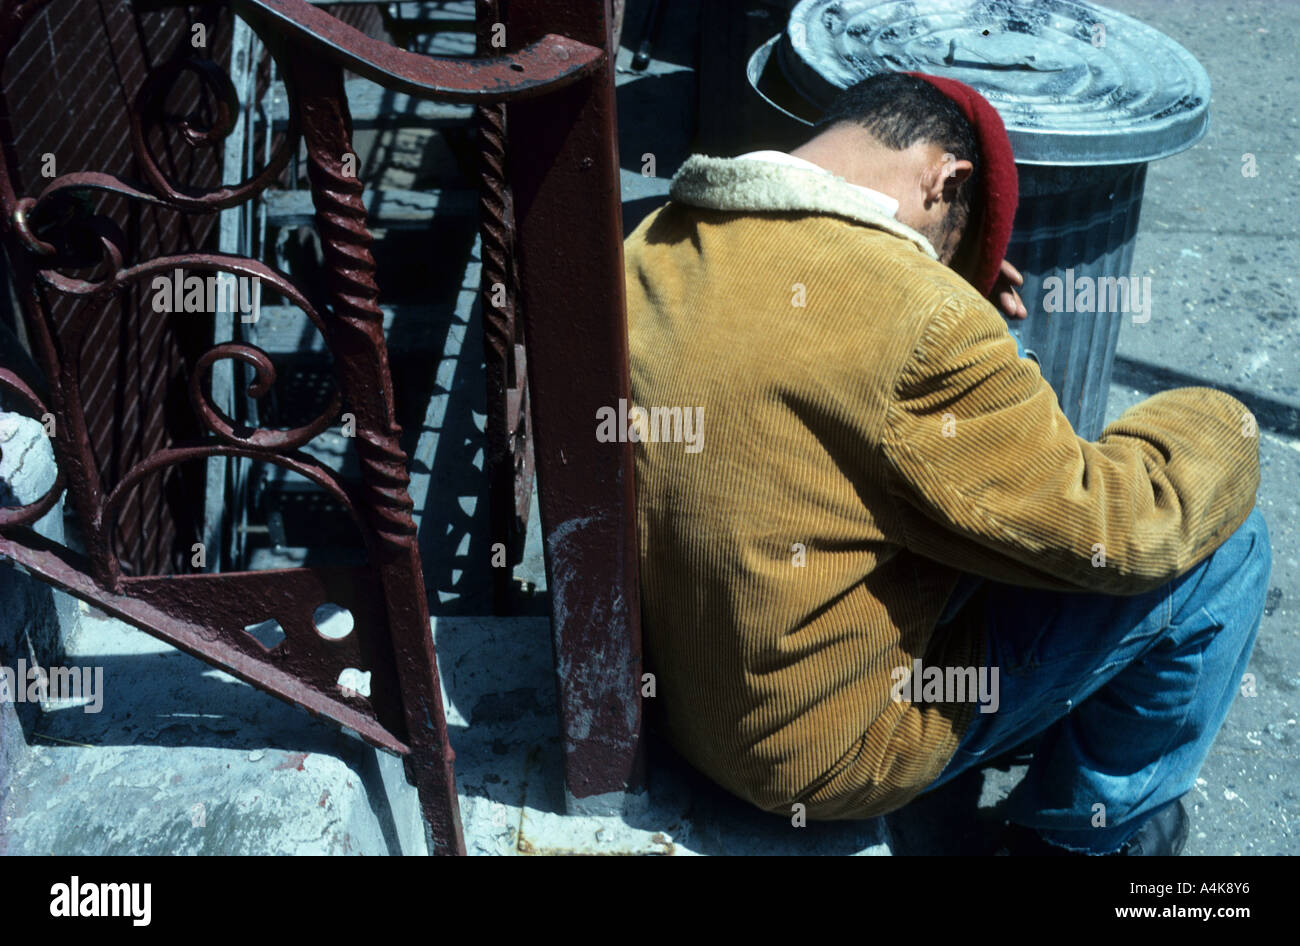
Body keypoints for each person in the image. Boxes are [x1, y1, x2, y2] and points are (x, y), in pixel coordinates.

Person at [624, 71, 1269, 855]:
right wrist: (1222, 419)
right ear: (945, 177)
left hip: (679, 691)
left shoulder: (651, 243)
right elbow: (1134, 528)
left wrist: (949, 286)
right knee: (1225, 547)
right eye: (953, 240)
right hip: (818, 753)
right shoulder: (924, 319)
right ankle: (1085, 836)